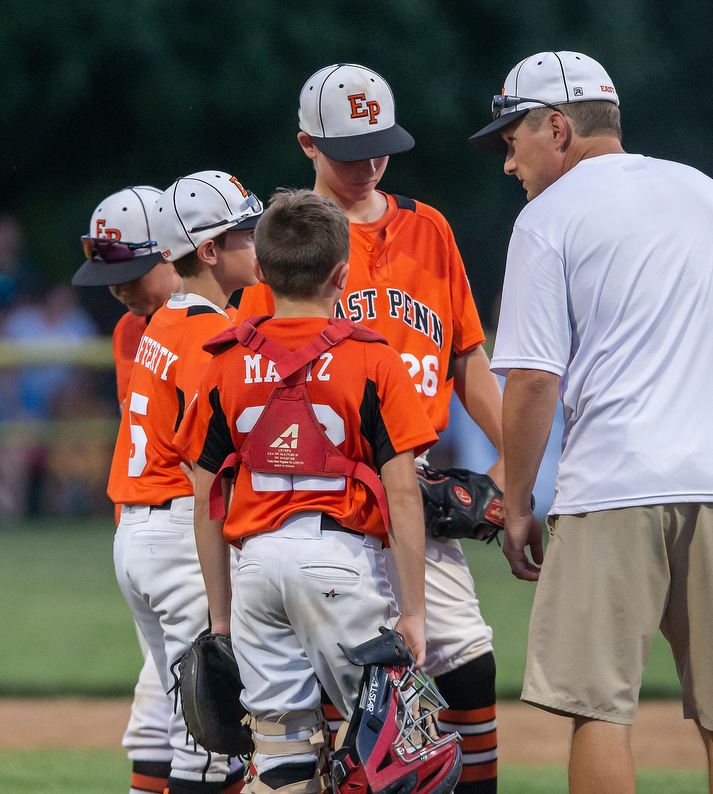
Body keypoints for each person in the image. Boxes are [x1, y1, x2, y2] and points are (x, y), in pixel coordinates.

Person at [470, 50, 713, 794]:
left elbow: (535, 380)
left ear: (557, 127)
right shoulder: (709, 193)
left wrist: (515, 500)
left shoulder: (549, 217)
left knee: (597, 710)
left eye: (513, 141)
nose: (510, 164)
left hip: (614, 486)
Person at [235, 63, 503, 793]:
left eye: (380, 145)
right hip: (325, 496)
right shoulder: (287, 244)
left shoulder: (428, 227)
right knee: (347, 696)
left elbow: (467, 357)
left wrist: (523, 464)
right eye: (351, 150)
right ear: (307, 145)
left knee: (467, 662)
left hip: (415, 488)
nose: (370, 163)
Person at [175, 188, 437, 793]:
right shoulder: (373, 360)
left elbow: (207, 502)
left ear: (261, 273)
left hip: (256, 570)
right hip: (338, 563)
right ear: (342, 274)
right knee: (400, 753)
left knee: (282, 749)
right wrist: (415, 611)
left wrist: (221, 616)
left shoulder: (225, 360)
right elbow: (402, 496)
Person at [109, 170, 261, 794]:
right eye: (243, 233)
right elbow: (210, 473)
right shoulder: (207, 336)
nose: (255, 242)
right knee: (206, 741)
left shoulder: (166, 321)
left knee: (189, 726)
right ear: (208, 250)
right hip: (178, 536)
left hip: (136, 539)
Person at [73, 185, 181, 794]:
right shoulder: (129, 332)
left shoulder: (220, 320)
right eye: (108, 274)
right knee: (165, 715)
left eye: (132, 271)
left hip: (195, 531)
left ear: (172, 250)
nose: (118, 286)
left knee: (186, 708)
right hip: (153, 530)